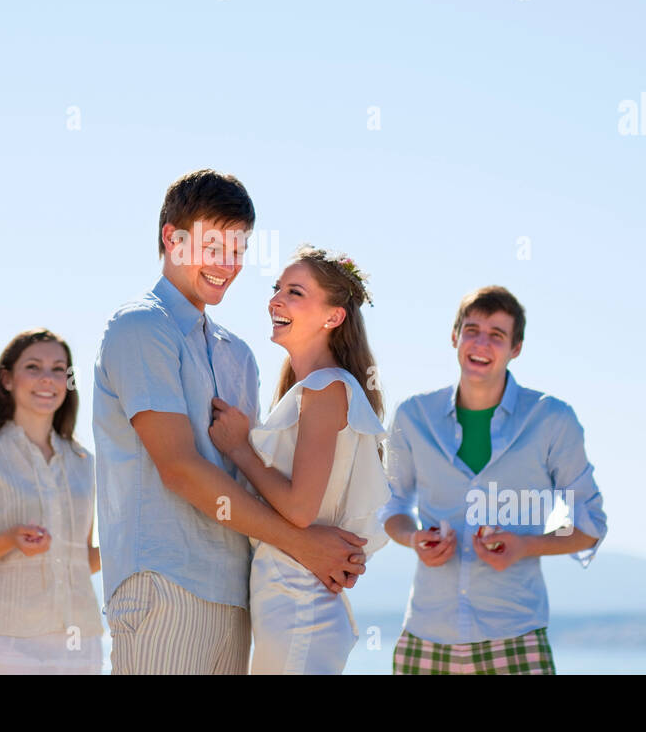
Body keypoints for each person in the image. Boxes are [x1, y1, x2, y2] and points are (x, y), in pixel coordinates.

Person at [93, 169, 368, 675]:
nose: (228, 264)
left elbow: (256, 480)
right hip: (165, 584)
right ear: (172, 239)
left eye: (239, 249)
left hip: (241, 594)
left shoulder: (239, 355)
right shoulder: (141, 327)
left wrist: (338, 547)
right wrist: (305, 545)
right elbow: (179, 468)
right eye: (213, 245)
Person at [381, 285, 606, 675]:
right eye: (472, 330)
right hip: (425, 634)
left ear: (516, 348)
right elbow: (392, 506)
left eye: (497, 335)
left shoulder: (552, 420)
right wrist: (414, 538)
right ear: (455, 337)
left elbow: (588, 526)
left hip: (515, 636)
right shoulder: (413, 415)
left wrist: (524, 545)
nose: (481, 343)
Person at [208, 246, 391, 674]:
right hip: (288, 601)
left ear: (333, 316)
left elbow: (300, 509)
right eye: (277, 288)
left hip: (298, 606)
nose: (276, 300)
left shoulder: (325, 389)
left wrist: (238, 448)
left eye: (295, 292)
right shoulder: (312, 390)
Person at [0, 329, 103, 674]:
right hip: (4, 647)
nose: (48, 378)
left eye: (59, 369)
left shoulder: (84, 463)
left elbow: (79, 559)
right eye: (33, 366)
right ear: (7, 379)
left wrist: (125, 548)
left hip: (80, 646)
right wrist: (9, 540)